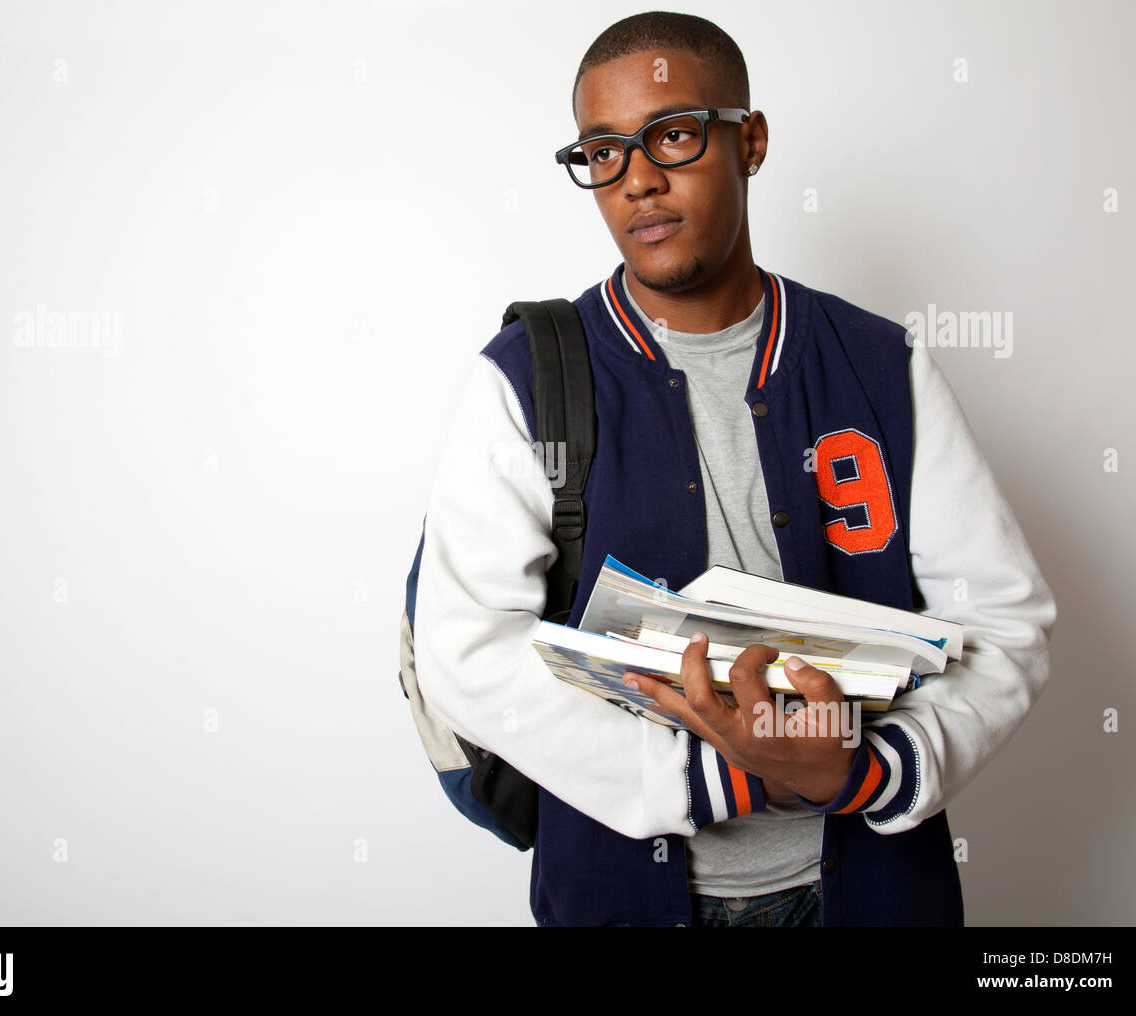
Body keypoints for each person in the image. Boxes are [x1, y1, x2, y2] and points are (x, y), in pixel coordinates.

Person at [410, 10, 1055, 927]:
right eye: (602, 153)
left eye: (671, 135)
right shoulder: (524, 377)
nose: (638, 180)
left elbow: (1007, 619)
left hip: (867, 887)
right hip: (620, 893)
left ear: (748, 142)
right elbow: (464, 647)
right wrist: (713, 778)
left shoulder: (881, 364)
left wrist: (866, 767)